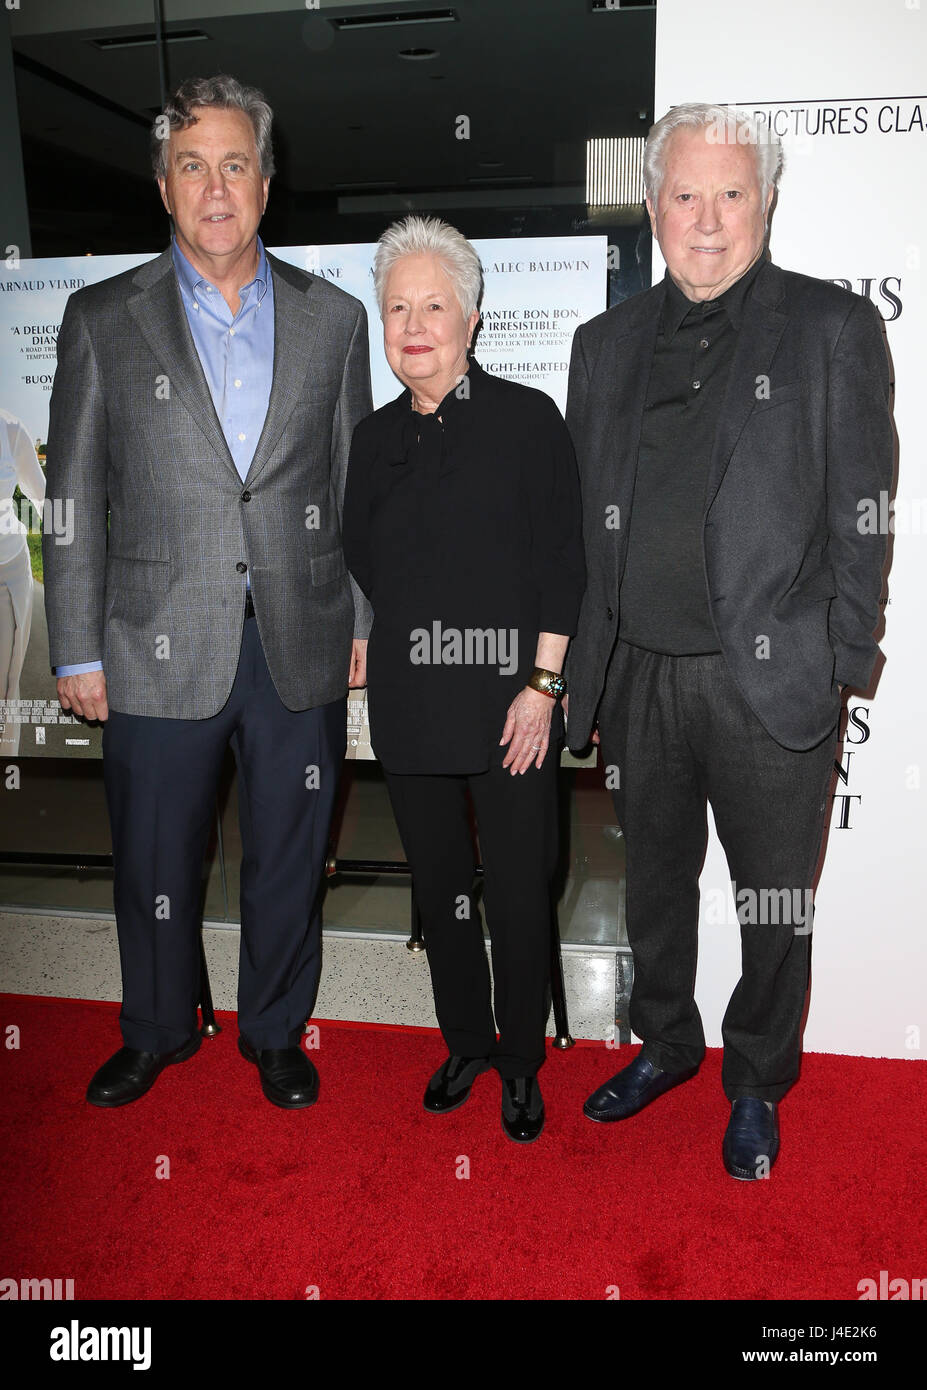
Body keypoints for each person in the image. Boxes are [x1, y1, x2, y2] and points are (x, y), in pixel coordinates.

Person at [565, 104, 893, 1178]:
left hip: (772, 683)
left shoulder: (831, 330)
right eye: (685, 194)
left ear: (766, 203)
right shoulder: (601, 345)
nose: (706, 221)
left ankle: (755, 1078)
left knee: (772, 902)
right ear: (654, 203)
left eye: (731, 194)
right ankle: (664, 1043)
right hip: (637, 678)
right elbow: (583, 518)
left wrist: (844, 663)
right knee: (655, 884)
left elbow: (862, 513)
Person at [43, 75, 372, 1110]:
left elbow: (353, 485)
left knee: (287, 850)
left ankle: (275, 1030)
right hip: (150, 641)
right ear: (163, 183)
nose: (216, 187)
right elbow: (72, 495)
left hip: (299, 637)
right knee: (153, 855)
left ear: (266, 185)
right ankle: (156, 1027)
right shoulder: (102, 318)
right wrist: (75, 647)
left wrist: (362, 620)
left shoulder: (337, 320)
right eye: (194, 166)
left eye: (236, 164)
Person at [342, 216, 585, 1142]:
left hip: (512, 704)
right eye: (396, 306)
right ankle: (466, 1043)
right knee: (440, 889)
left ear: (472, 318)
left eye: (432, 305)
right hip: (412, 706)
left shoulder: (527, 420)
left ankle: (522, 1061)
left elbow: (563, 564)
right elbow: (362, 560)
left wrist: (543, 688)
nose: (414, 323)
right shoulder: (370, 440)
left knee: (520, 888)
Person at [0, 410, 45, 758]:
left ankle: (7, 775)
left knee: (5, 686)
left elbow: (44, 500)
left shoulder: (10, 429)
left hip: (7, 573)